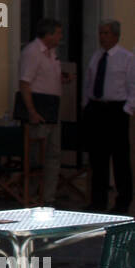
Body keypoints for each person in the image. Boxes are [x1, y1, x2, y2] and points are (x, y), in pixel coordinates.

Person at [82, 19, 134, 214]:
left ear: (115, 35)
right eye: (100, 33)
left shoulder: (126, 57)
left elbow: (133, 86)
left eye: (105, 33)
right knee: (98, 158)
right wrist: (86, 105)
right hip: (97, 109)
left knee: (120, 158)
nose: (102, 37)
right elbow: (89, 82)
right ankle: (98, 201)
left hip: (116, 110)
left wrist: (127, 109)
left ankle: (122, 202)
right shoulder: (97, 56)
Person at [18, 18, 71, 205]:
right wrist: (31, 111)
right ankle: (32, 195)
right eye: (58, 33)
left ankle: (48, 197)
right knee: (36, 156)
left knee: (53, 155)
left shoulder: (52, 53)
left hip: (52, 109)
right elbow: (25, 83)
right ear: (48, 34)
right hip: (39, 110)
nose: (60, 37)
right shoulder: (33, 52)